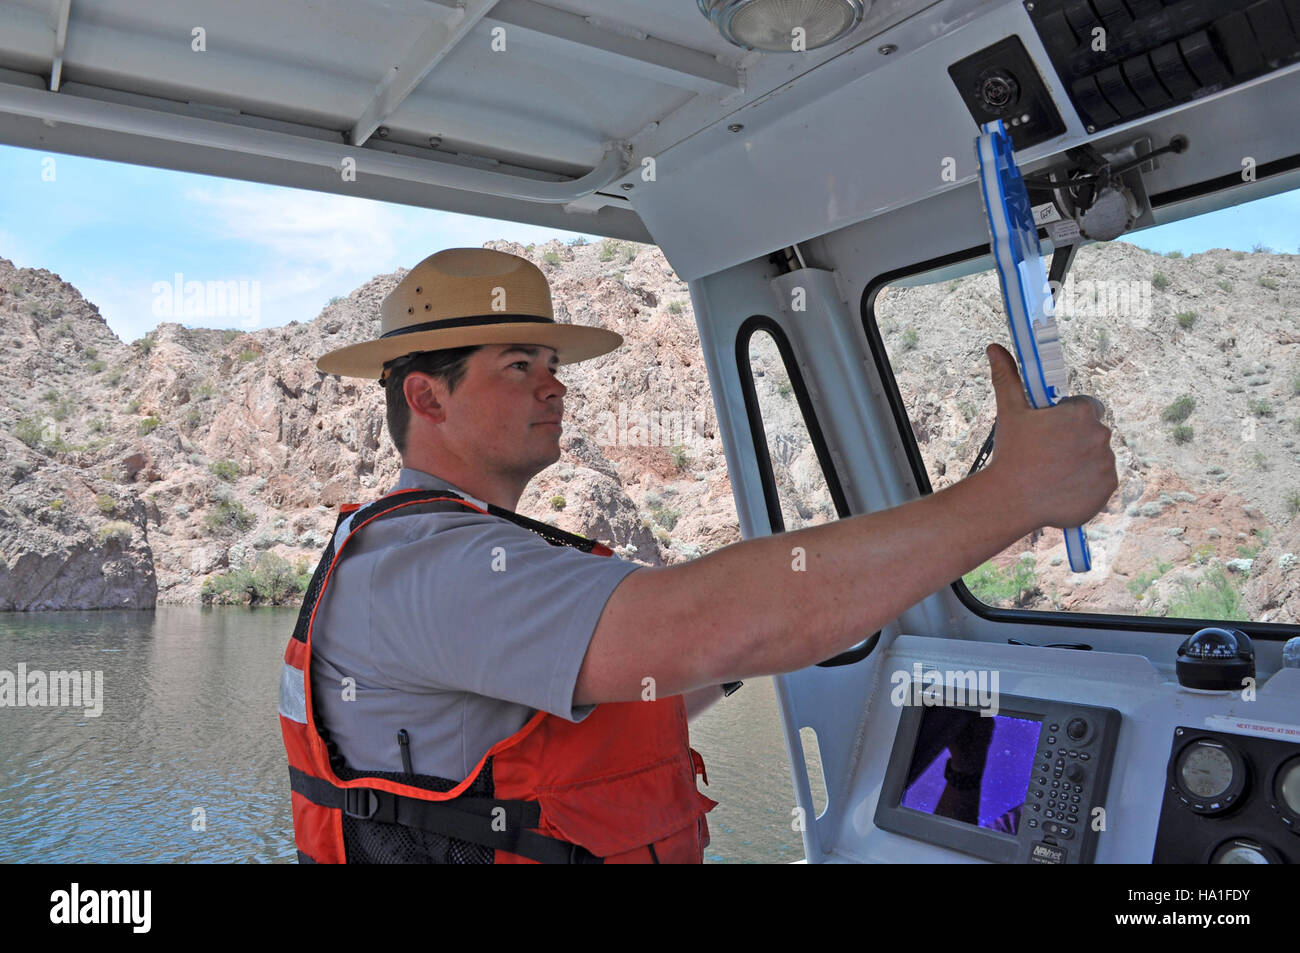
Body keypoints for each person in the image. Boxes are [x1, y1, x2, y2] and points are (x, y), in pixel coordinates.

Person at [279, 247, 1117, 864]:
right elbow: (693, 623)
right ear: (427, 396)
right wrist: (1012, 496)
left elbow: (616, 708)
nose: (555, 385)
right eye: (518, 365)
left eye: (553, 363)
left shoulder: (448, 548)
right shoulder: (430, 564)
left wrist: (745, 640)